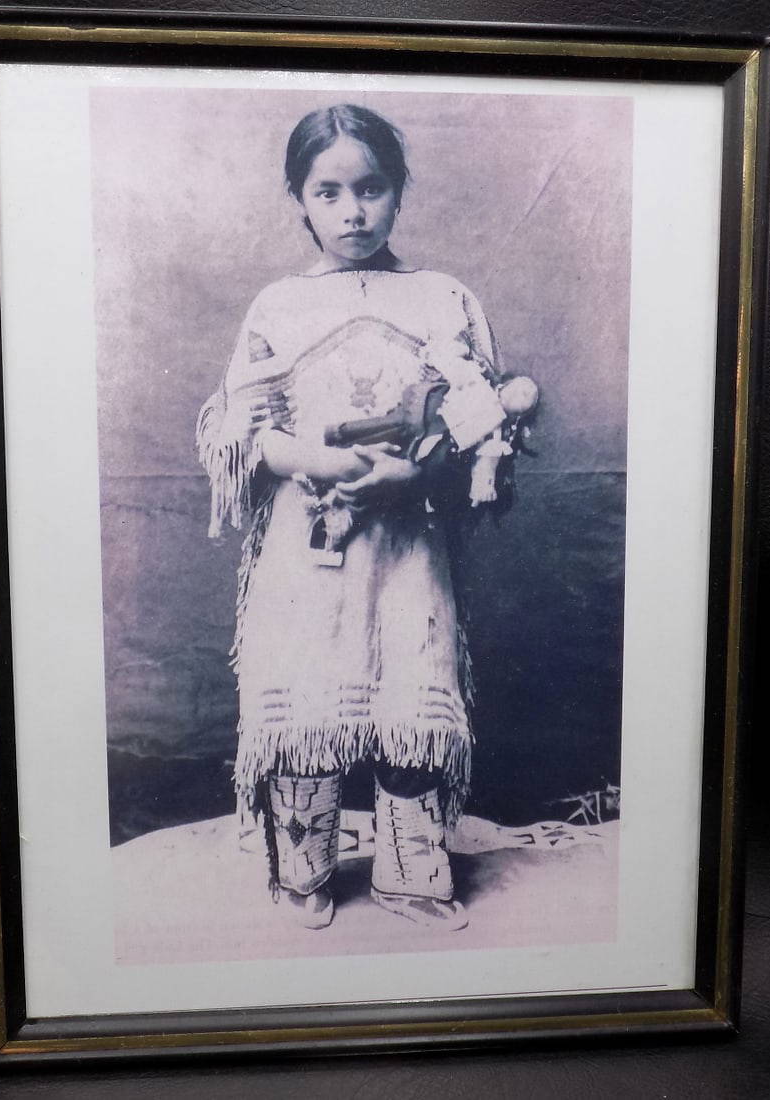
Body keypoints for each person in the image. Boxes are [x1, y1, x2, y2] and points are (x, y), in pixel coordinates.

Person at [196, 103, 522, 933]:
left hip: (407, 539)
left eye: (370, 188)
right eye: (328, 191)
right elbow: (241, 433)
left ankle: (412, 872)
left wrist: (415, 467)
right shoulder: (277, 306)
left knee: (408, 695)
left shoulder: (441, 299)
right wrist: (317, 462)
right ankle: (304, 870)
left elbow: (480, 420)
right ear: (298, 200)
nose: (352, 211)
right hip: (307, 545)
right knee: (307, 699)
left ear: (398, 192)